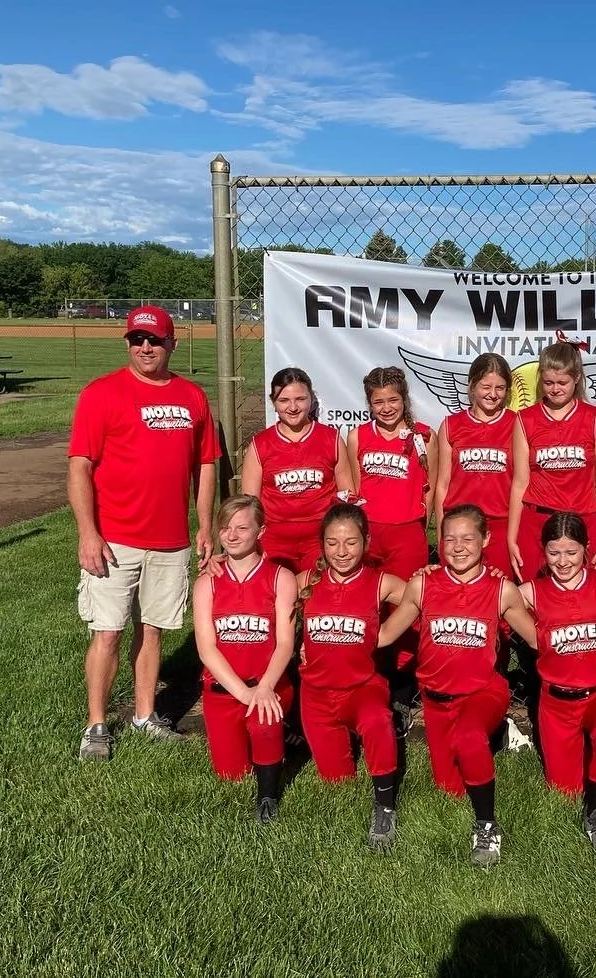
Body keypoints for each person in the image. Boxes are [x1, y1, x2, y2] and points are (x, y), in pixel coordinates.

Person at [69, 305, 219, 760]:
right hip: (114, 539)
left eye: (155, 340)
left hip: (170, 540)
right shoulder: (101, 394)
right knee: (108, 632)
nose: (146, 347)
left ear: (172, 343)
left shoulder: (192, 396)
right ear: (128, 343)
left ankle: (144, 714)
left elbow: (205, 465)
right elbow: (80, 467)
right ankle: (96, 725)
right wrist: (88, 533)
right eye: (137, 339)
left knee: (152, 630)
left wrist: (205, 525)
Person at [379, 505, 538, 867]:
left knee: (468, 738)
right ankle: (500, 737)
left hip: (483, 692)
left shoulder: (501, 589)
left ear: (486, 540)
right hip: (436, 701)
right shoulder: (422, 584)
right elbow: (386, 634)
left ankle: (487, 826)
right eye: (449, 538)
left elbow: (536, 638)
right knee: (449, 789)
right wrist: (325, 639)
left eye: (468, 538)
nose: (458, 546)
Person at [518, 513, 596, 853]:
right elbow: (487, 597)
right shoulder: (532, 592)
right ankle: (583, 752)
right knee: (564, 792)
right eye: (554, 552)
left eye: (571, 552)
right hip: (556, 703)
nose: (563, 561)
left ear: (587, 548)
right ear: (543, 550)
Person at [296, 503, 408, 849]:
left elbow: (428, 596)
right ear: (322, 544)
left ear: (367, 542)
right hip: (316, 696)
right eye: (332, 543)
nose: (341, 552)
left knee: (377, 721)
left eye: (351, 542)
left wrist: (385, 634)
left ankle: (385, 805)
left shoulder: (380, 582)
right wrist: (223, 562)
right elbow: (261, 590)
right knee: (337, 784)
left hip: (362, 690)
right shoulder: (305, 581)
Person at [192, 495, 297, 823]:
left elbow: (285, 644)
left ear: (260, 531)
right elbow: (206, 649)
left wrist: (263, 688)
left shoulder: (280, 577)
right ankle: (283, 736)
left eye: (242, 528)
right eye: (225, 528)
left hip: (267, 685)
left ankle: (268, 797)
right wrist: (244, 693)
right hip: (225, 692)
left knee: (264, 722)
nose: (232, 535)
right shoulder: (207, 582)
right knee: (232, 775)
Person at [509, 340, 596, 581]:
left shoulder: (594, 418)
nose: (555, 389)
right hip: (538, 521)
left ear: (576, 378)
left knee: (582, 595)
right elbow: (520, 483)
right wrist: (511, 537)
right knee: (533, 595)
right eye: (548, 382)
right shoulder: (526, 419)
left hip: (582, 520)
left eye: (562, 383)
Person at [240, 367, 352, 573]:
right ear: (273, 402)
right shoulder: (260, 444)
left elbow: (347, 496)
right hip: (274, 542)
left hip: (321, 540)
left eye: (300, 399)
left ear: (311, 399)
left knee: (317, 592)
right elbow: (250, 505)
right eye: (284, 400)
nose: (292, 407)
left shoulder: (331, 439)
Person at [433, 353, 517, 576]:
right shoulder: (451, 425)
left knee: (498, 589)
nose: (493, 394)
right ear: (472, 386)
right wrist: (442, 532)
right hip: (459, 525)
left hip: (501, 524)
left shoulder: (516, 424)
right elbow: (443, 484)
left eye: (500, 388)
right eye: (485, 387)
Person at [348, 366, 434, 581]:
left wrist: (419, 530)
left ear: (404, 399)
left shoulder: (424, 437)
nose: (386, 408)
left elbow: (430, 490)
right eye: (378, 402)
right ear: (370, 404)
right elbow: (356, 488)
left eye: (393, 400)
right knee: (367, 595)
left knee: (405, 597)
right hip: (368, 532)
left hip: (407, 533)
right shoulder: (357, 436)